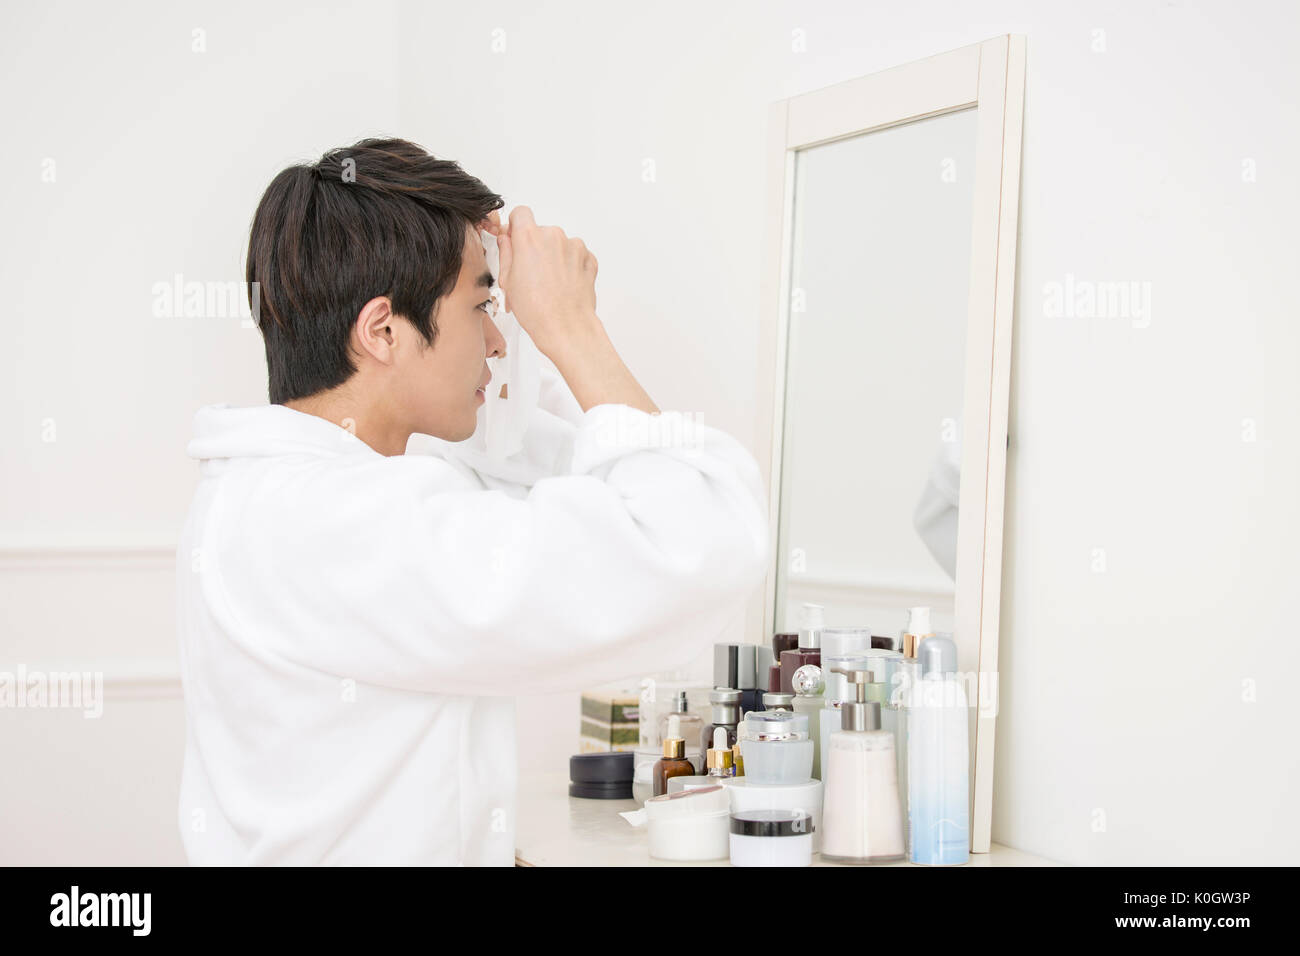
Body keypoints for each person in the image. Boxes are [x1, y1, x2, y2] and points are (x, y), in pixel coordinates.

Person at [175, 138, 769, 865]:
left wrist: (513, 319)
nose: (495, 338)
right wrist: (572, 329)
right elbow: (696, 540)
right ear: (383, 331)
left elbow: (521, 457)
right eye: (483, 307)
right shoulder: (340, 524)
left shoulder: (281, 495)